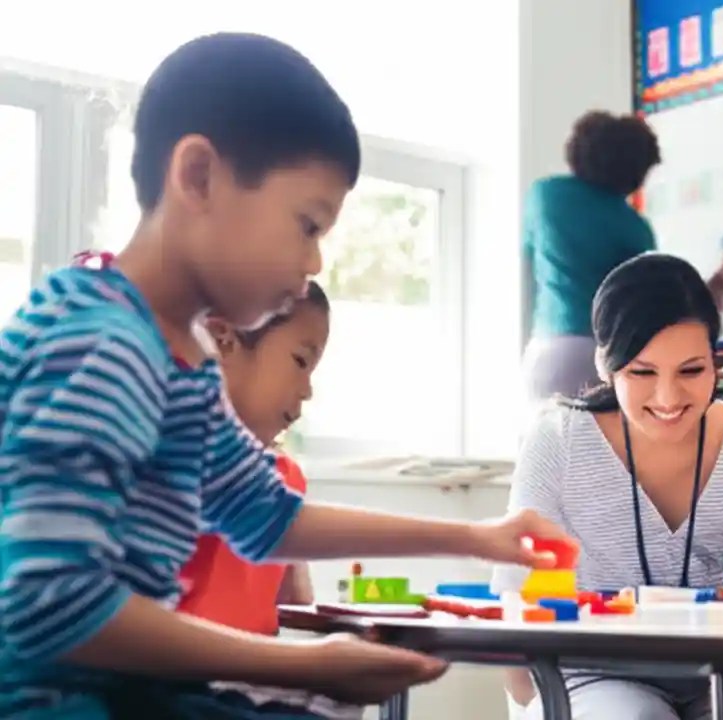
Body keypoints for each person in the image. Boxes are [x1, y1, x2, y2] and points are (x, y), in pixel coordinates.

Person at [0, 32, 564, 719]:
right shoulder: (105, 345)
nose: (315, 264)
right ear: (199, 177)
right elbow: (48, 606)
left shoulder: (179, 358)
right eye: (308, 225)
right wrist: (307, 663)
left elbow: (265, 517)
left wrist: (473, 538)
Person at [496, 253, 723, 720]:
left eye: (691, 371)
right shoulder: (558, 440)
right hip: (587, 676)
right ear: (604, 364)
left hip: (713, 678)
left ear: (714, 361)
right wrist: (537, 705)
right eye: (642, 373)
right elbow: (514, 607)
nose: (669, 398)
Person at [177, 281, 360, 719]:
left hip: (248, 684)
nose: (307, 390)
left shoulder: (286, 478)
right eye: (300, 361)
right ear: (226, 340)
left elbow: (296, 603)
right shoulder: (178, 452)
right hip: (179, 678)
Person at [522, 110, 723, 405]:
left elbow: (525, 272)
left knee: (545, 446)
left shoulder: (545, 196)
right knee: (605, 447)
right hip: (605, 355)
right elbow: (647, 307)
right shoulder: (634, 228)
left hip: (546, 350)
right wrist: (714, 288)